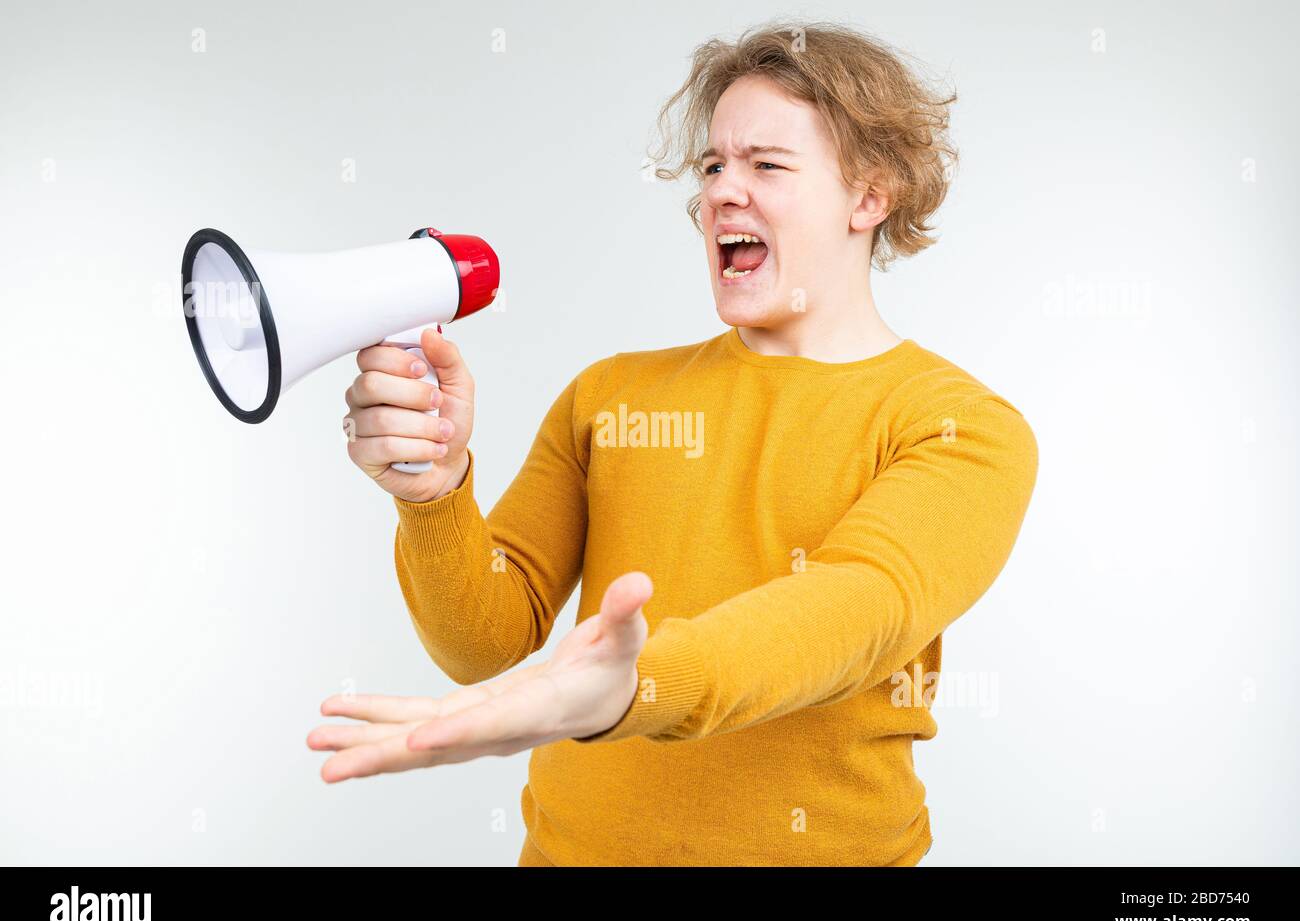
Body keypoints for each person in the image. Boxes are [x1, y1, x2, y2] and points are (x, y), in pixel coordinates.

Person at [307, 19, 1038, 866]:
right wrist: (433, 490)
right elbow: (482, 641)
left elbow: (850, 612)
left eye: (766, 164)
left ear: (870, 196)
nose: (726, 191)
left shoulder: (962, 427)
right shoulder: (610, 395)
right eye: (714, 166)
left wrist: (630, 689)